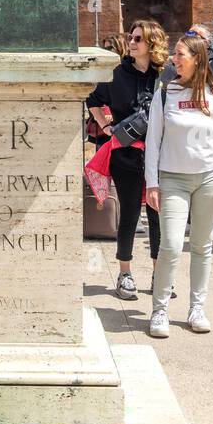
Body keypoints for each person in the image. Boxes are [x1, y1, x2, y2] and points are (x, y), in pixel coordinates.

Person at [145, 34, 213, 336]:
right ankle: (159, 310)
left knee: (202, 245)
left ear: (197, 58)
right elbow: (153, 141)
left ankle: (197, 307)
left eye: (180, 54)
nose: (174, 59)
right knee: (170, 245)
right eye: (175, 54)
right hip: (172, 177)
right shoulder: (164, 93)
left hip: (209, 177)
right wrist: (152, 183)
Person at [85, 20, 168, 301]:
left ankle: (159, 274)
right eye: (131, 38)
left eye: (138, 39)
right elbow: (93, 100)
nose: (131, 42)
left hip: (159, 154)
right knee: (130, 213)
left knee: (157, 215)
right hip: (125, 153)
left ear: (152, 44)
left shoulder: (164, 76)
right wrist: (106, 127)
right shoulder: (117, 74)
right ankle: (125, 273)